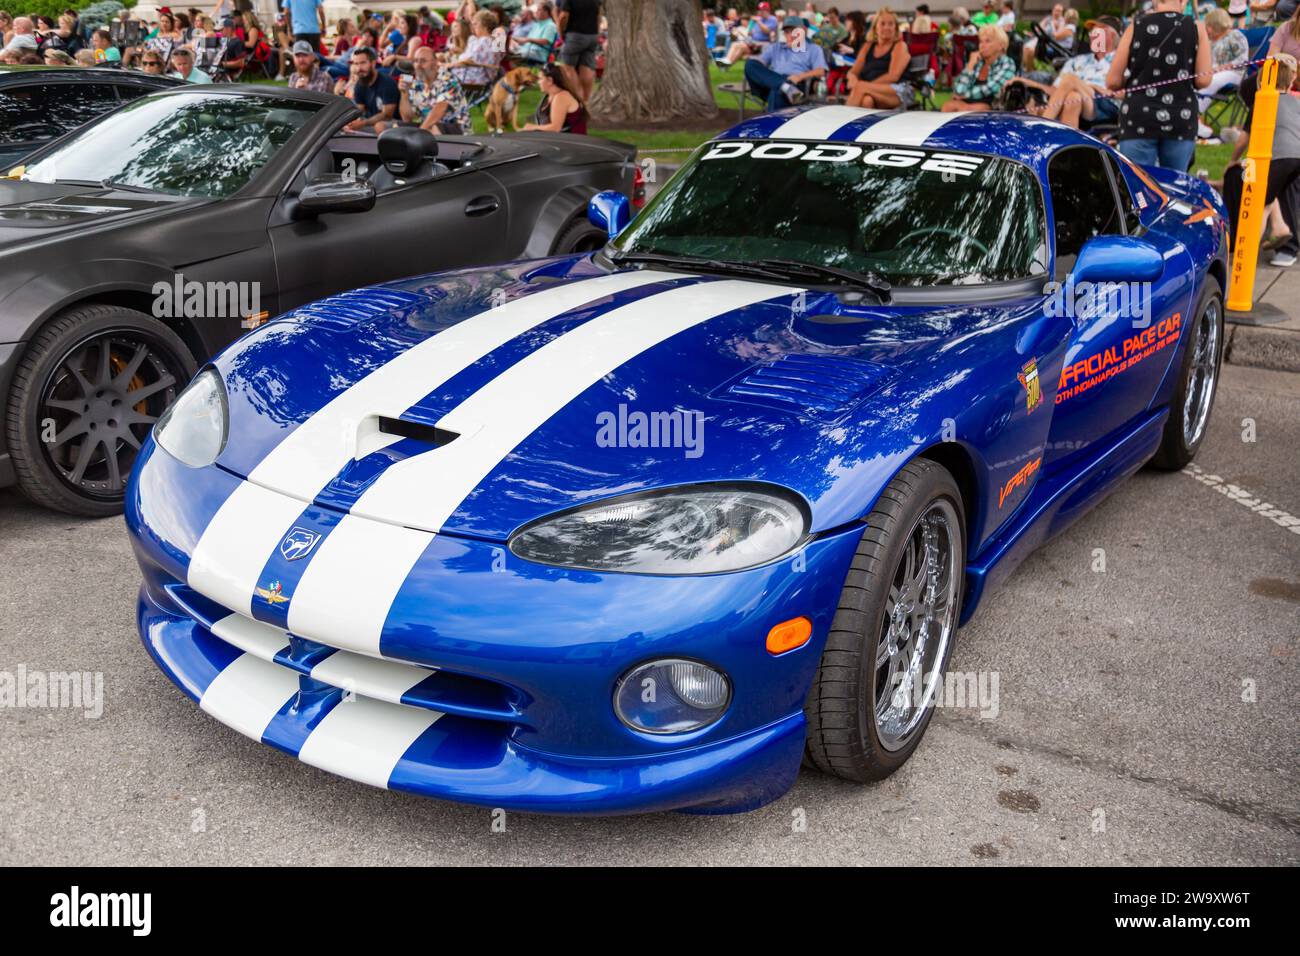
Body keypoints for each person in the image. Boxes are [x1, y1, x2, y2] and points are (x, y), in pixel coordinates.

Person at [1106, 0, 1211, 170]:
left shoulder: (1136, 26)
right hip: (1180, 116)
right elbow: (1203, 80)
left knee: (1137, 187)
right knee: (1174, 187)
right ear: (1183, 2)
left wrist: (1135, 81)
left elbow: (1112, 81)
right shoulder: (1196, 28)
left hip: (1138, 117)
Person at [1222, 53, 1300, 261]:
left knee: (1260, 205)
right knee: (1270, 194)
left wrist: (1233, 160)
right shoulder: (1295, 103)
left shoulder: (1263, 102)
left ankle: (1245, 253)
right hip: (1297, 158)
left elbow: (1243, 140)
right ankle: (1281, 226)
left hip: (1278, 157)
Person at [1007, 18, 1120, 129]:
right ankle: (1068, 145)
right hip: (1081, 103)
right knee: (1073, 97)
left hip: (1106, 105)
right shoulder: (1077, 60)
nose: (1092, 35)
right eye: (1091, 32)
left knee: (1070, 79)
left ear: (1112, 35)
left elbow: (1128, 93)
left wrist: (1094, 87)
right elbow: (1057, 91)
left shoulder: (1121, 61)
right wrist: (1028, 82)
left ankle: (1041, 127)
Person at [743, 13, 827, 110]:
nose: (790, 35)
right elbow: (759, 62)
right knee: (750, 64)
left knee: (777, 91)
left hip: (796, 84)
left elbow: (820, 71)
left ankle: (784, 88)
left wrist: (800, 77)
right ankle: (784, 86)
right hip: (771, 83)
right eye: (787, 32)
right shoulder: (776, 47)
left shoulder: (813, 49)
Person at [845, 7, 912, 108]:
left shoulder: (900, 46)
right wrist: (852, 78)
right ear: (875, 27)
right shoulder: (868, 46)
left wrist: (864, 86)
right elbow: (853, 71)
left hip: (897, 90)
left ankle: (843, 120)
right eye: (882, 24)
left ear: (896, 28)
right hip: (871, 90)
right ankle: (862, 124)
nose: (886, 27)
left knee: (860, 87)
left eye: (891, 24)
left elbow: (893, 76)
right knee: (867, 101)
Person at [1199, 8, 1249, 137]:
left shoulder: (1235, 35)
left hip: (1235, 73)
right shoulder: (1209, 41)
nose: (1207, 30)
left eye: (1209, 26)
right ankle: (1194, 118)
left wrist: (1224, 67)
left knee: (1211, 80)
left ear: (1216, 24)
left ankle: (1194, 115)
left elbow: (1243, 59)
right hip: (1213, 73)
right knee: (1201, 79)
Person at [397, 44, 470, 133]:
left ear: (435, 63)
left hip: (457, 129)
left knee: (433, 128)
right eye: (416, 61)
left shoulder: (449, 80)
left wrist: (420, 133)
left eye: (423, 61)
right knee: (396, 128)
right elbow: (407, 118)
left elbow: (439, 110)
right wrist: (404, 93)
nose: (418, 65)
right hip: (427, 127)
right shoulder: (416, 84)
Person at [944, 23, 1015, 111]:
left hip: (993, 106)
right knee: (948, 106)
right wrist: (970, 65)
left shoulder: (1007, 63)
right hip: (968, 103)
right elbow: (958, 89)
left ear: (1001, 46)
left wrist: (964, 95)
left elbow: (991, 88)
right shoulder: (977, 62)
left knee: (968, 109)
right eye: (981, 41)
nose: (982, 45)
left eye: (987, 41)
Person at [338, 46, 399, 131]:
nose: (359, 68)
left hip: (391, 124)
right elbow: (359, 109)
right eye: (356, 64)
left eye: (363, 63)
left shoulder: (387, 83)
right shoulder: (360, 83)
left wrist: (363, 123)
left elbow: (387, 115)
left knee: (379, 126)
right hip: (370, 122)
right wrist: (349, 121)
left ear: (373, 63)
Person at [523, 61, 587, 133]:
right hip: (559, 139)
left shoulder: (562, 97)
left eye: (540, 79)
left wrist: (532, 127)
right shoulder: (549, 96)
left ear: (550, 80)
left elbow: (555, 128)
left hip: (572, 141)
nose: (538, 82)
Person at [557, 0, 600, 103]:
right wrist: (596, 32)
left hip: (575, 35)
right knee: (586, 67)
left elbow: (563, 16)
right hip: (592, 35)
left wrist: (560, 32)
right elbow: (598, 16)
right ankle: (587, 100)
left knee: (568, 68)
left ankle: (578, 99)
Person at [450, 9, 499, 87]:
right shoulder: (486, 40)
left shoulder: (484, 41)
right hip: (474, 75)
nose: (473, 27)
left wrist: (450, 65)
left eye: (476, 24)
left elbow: (470, 60)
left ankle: (448, 93)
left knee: (441, 75)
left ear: (484, 26)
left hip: (473, 77)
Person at [721, 0, 778, 65]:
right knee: (735, 44)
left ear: (767, 10)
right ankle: (727, 60)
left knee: (742, 46)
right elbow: (752, 33)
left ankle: (728, 64)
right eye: (759, 10)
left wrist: (758, 22)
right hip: (752, 42)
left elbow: (767, 31)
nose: (760, 12)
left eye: (762, 10)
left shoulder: (772, 19)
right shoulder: (760, 19)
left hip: (763, 45)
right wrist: (749, 30)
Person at [1022, 3, 1075, 71]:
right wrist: (1033, 33)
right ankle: (1027, 68)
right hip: (1042, 39)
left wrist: (1053, 25)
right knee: (1025, 47)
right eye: (1056, 10)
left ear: (1062, 13)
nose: (1057, 12)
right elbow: (1039, 27)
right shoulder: (1048, 18)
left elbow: (1056, 36)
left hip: (1049, 43)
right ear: (1053, 10)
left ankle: (1030, 70)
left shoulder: (1063, 22)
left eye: (1059, 11)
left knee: (1030, 50)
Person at [515, 0, 558, 65]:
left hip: (538, 53)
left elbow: (545, 41)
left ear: (546, 12)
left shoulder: (550, 25)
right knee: (507, 50)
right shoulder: (536, 24)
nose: (536, 12)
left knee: (511, 55)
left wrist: (528, 40)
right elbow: (527, 40)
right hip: (528, 50)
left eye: (539, 10)